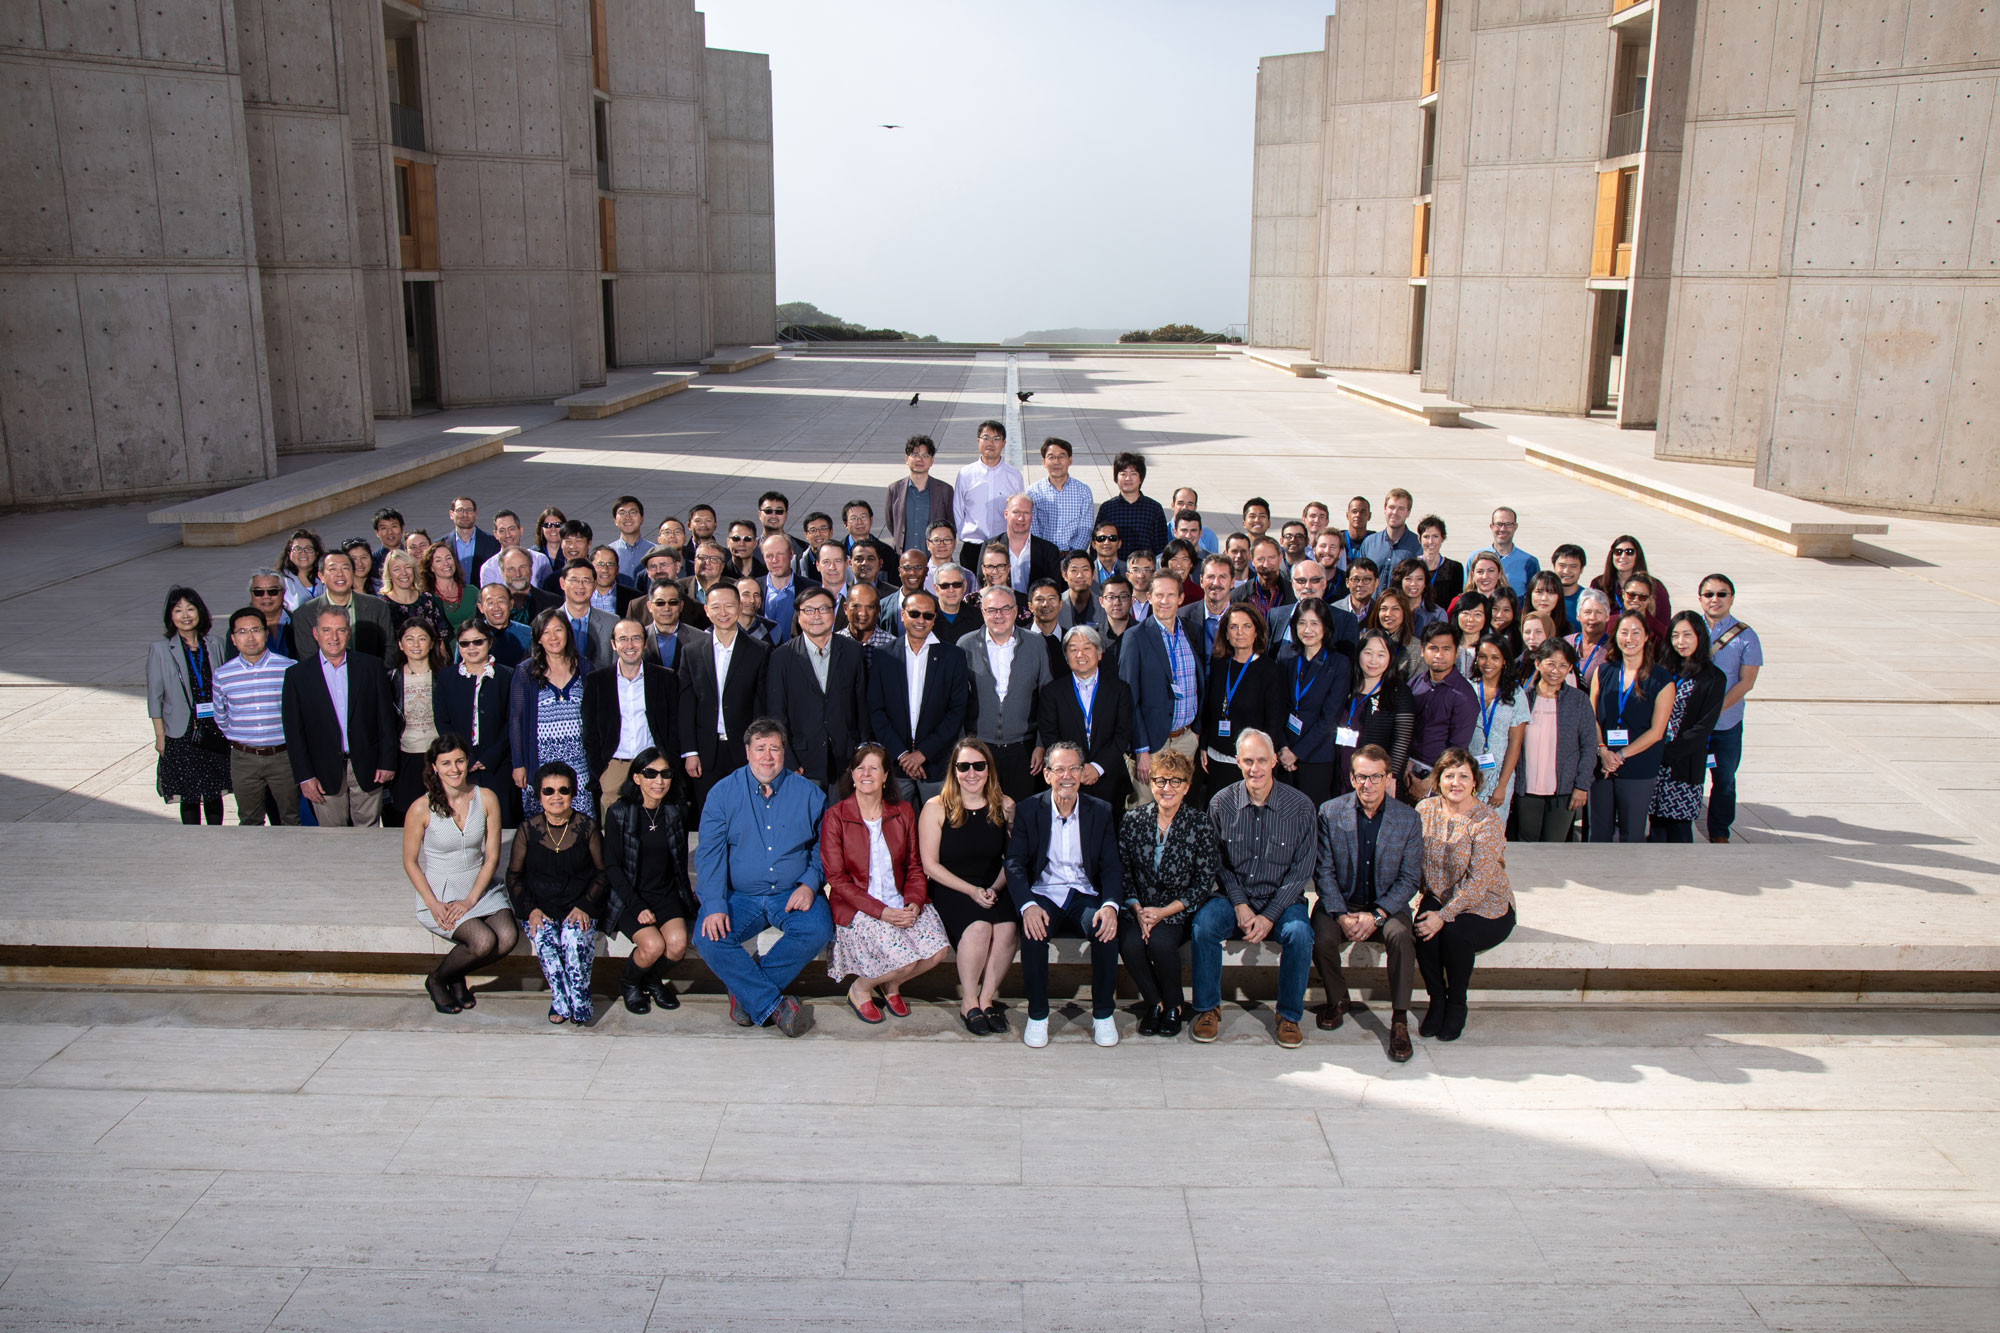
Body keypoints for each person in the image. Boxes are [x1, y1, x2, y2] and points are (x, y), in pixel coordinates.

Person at [693, 719, 834, 1036]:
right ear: (747, 752)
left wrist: (810, 883)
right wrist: (715, 903)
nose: (767, 757)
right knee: (707, 937)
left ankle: (746, 994)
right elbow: (709, 855)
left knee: (817, 927)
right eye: (760, 748)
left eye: (775, 748)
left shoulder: (809, 794)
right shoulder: (722, 794)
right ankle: (773, 1004)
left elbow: (823, 847)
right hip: (741, 897)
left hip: (790, 892)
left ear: (785, 753)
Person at [1191, 730, 1318, 1047]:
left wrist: (1271, 915)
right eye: (1248, 761)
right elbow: (1217, 861)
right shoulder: (1221, 803)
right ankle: (1207, 1009)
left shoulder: (1301, 807)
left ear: (1275, 760)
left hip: (1283, 900)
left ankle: (1288, 1016)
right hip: (1235, 898)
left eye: (1262, 760)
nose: (1255, 768)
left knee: (1300, 934)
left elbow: (1301, 869)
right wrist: (1239, 904)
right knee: (1203, 926)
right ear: (1237, 762)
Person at [820, 744, 951, 1023]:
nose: (866, 773)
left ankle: (891, 984)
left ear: (884, 776)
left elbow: (915, 866)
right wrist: (881, 912)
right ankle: (861, 988)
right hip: (859, 908)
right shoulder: (836, 816)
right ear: (852, 775)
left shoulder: (902, 812)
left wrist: (913, 903)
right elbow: (836, 879)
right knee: (907, 958)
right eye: (860, 768)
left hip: (899, 899)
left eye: (874, 768)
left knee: (938, 950)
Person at [1005, 741, 1123, 1048]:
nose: (1066, 775)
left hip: (1084, 893)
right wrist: (1028, 904)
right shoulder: (1030, 809)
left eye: (1073, 768)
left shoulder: (1100, 811)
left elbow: (1111, 866)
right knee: (1033, 932)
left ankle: (1103, 1015)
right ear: (1047, 775)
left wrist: (1110, 905)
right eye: (1059, 769)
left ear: (1083, 773)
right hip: (1044, 893)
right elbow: (1014, 863)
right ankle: (1038, 1015)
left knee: (1106, 929)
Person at [1313, 745, 1424, 1062]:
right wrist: (1342, 914)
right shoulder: (1331, 812)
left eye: (1376, 777)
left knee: (1402, 937)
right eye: (1362, 776)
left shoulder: (1408, 819)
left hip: (1386, 907)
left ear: (1389, 779)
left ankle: (1399, 1019)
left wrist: (1376, 915)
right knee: (1320, 937)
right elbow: (1324, 870)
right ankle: (1338, 1000)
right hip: (1342, 902)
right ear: (1351, 777)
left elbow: (1408, 879)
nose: (1368, 784)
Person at [403, 734, 513, 1014]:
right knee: (482, 941)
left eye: (459, 761)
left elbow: (492, 857)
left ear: (468, 762)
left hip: (479, 886)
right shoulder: (420, 808)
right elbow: (410, 862)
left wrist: (470, 901)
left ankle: (454, 975)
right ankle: (439, 980)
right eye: (446, 763)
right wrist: (433, 903)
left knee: (507, 937)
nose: (454, 769)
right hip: (442, 890)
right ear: (434, 767)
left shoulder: (486, 798)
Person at [1414, 748, 1516, 1041]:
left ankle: (1456, 1003)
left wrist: (1443, 916)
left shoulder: (1487, 821)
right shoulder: (1425, 810)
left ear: (1475, 782)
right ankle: (1437, 1000)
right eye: (1449, 776)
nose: (1455, 782)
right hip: (1440, 891)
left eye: (1463, 776)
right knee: (1422, 928)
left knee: (1455, 934)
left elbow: (1477, 883)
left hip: (1485, 902)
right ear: (1438, 780)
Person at [919, 738, 1019, 1034]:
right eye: (964, 766)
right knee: (978, 928)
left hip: (993, 885)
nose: (971, 773)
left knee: (1006, 928)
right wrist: (971, 891)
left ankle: (987, 1000)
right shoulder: (936, 808)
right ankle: (969, 1002)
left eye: (978, 766)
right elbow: (930, 866)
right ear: (954, 770)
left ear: (989, 770)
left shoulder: (1005, 805)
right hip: (952, 887)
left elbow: (1012, 859)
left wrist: (996, 889)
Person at [1115, 747, 1214, 1036]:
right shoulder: (1133, 820)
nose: (1166, 788)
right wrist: (1138, 909)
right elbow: (1123, 871)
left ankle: (1175, 1005)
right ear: (1151, 783)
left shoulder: (1200, 824)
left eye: (1175, 781)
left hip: (1176, 911)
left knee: (1160, 943)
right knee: (1130, 944)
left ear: (1187, 785)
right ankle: (1156, 1003)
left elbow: (1203, 882)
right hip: (1140, 909)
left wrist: (1163, 912)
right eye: (1160, 780)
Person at [504, 761, 605, 1024]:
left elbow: (603, 873)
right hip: (541, 907)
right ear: (539, 794)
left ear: (573, 793)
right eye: (548, 791)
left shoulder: (587, 827)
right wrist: (531, 910)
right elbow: (514, 875)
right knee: (546, 943)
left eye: (563, 790)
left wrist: (585, 905)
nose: (556, 797)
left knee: (573, 940)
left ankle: (579, 1002)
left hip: (579, 905)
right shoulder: (528, 830)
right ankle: (561, 1001)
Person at [282, 605, 398, 826]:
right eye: (326, 630)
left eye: (340, 630)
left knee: (368, 832)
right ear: (316, 634)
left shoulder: (371, 667)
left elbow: (385, 719)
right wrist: (305, 776)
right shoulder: (297, 676)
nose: (333, 637)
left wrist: (387, 761)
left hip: (367, 766)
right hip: (322, 770)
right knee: (332, 837)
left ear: (349, 632)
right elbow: (294, 733)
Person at [601, 747, 693, 1015]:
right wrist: (637, 905)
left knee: (676, 946)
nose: (659, 781)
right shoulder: (619, 812)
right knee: (653, 946)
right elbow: (612, 867)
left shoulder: (675, 812)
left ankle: (651, 980)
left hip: (665, 894)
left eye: (665, 774)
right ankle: (629, 982)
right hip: (629, 897)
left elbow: (678, 864)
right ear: (637, 778)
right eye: (650, 773)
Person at [865, 589, 969, 804]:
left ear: (934, 619)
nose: (920, 620)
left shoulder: (954, 656)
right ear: (902, 615)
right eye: (914, 614)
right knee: (897, 833)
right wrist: (902, 755)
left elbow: (956, 711)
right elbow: (876, 710)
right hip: (895, 766)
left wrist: (923, 753)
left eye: (927, 615)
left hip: (937, 766)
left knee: (939, 831)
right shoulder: (883, 656)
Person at [676, 583, 770, 815]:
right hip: (706, 752)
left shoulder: (760, 650)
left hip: (745, 750)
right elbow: (686, 705)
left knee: (747, 814)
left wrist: (759, 748)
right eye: (716, 607)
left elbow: (762, 705)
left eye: (729, 606)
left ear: (739, 608)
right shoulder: (692, 651)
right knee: (711, 816)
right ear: (707, 610)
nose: (723, 612)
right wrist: (690, 752)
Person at [765, 585, 868, 787]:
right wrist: (789, 760)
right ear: (799, 615)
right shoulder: (782, 657)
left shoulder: (853, 651)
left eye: (823, 609)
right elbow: (776, 714)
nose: (816, 616)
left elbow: (862, 705)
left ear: (834, 611)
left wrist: (862, 752)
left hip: (846, 759)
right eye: (809, 610)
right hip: (803, 761)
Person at [1589, 610, 1675, 842]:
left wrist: (1621, 755)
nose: (1630, 638)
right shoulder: (1604, 671)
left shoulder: (1662, 679)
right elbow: (1591, 717)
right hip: (1602, 765)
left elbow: (1657, 732)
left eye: (1636, 633)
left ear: (1646, 636)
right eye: (1624, 632)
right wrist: (1603, 750)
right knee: (1598, 832)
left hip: (1638, 767)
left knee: (1632, 834)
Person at [148, 587, 232, 825]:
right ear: (170, 617)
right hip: (182, 732)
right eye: (178, 610)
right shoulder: (161, 650)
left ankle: (216, 837)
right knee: (190, 794)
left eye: (190, 609)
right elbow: (155, 697)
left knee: (215, 790)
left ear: (200, 612)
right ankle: (192, 839)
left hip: (214, 728)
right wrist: (159, 736)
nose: (185, 615)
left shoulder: (214, 644)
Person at [211, 606, 298, 825]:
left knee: (291, 817)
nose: (250, 637)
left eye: (255, 630)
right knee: (249, 820)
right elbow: (220, 716)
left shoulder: (289, 669)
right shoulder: (223, 674)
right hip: (244, 759)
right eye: (242, 632)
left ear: (266, 634)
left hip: (283, 757)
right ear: (233, 638)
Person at [964, 584, 1052, 801]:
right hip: (980, 749)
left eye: (1005, 609)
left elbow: (1047, 699)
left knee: (1020, 817)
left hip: (1023, 750)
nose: (999, 615)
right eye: (992, 610)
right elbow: (957, 702)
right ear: (983, 612)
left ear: (1015, 611)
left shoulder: (1036, 644)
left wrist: (1041, 745)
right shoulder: (965, 645)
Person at [1121, 571, 1204, 799]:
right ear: (1149, 597)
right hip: (1152, 746)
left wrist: (1196, 732)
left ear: (1181, 598)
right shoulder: (1135, 637)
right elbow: (1130, 699)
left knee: (1178, 810)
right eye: (1159, 595)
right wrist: (1141, 750)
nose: (1164, 601)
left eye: (1170, 595)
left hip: (1186, 741)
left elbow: (1200, 683)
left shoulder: (1193, 631)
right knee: (1147, 811)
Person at [1649, 612, 1728, 843]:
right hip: (1655, 759)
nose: (1680, 642)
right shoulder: (1662, 669)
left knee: (1679, 829)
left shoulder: (1713, 678)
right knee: (1656, 825)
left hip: (1684, 763)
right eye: (1675, 636)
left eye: (1687, 635)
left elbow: (1704, 726)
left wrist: (1668, 753)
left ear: (1700, 637)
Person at [1038, 626, 1134, 813]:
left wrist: (1097, 767)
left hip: (1109, 777)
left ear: (1099, 653)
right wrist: (1075, 769)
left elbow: (1123, 734)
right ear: (1066, 656)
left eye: (1087, 648)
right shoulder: (1052, 692)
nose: (1080, 654)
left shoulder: (1119, 689)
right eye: (1073, 649)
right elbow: (1050, 736)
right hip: (1068, 780)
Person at [583, 617, 678, 802]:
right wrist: (600, 769)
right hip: (613, 768)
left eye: (635, 638)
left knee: (652, 827)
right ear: (613, 644)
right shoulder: (597, 681)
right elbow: (589, 731)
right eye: (623, 639)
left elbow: (673, 727)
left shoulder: (665, 678)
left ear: (644, 643)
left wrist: (669, 764)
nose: (630, 645)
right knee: (613, 828)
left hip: (654, 767)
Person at [508, 610, 591, 820]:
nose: (553, 637)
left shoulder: (584, 667)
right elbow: (516, 720)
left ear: (568, 633)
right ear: (538, 638)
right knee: (542, 824)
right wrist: (519, 764)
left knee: (579, 823)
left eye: (558, 630)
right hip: (540, 762)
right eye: (546, 632)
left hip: (579, 762)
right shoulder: (526, 672)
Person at [1513, 639, 1597, 842]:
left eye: (1563, 665)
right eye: (1550, 663)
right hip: (1527, 789)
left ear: (1569, 668)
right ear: (1538, 663)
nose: (1556, 670)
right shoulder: (1522, 698)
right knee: (1527, 844)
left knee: (1555, 847)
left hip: (1564, 790)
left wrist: (1582, 786)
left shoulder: (1579, 700)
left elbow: (1588, 746)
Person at [1698, 573, 1761, 843]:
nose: (1715, 599)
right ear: (1700, 598)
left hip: (1726, 724)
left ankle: (1720, 831)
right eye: (1709, 594)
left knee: (1723, 780)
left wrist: (1715, 710)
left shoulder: (1746, 636)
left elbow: (1746, 682)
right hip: (1692, 724)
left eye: (1721, 594)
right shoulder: (1689, 630)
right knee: (1685, 779)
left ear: (1731, 598)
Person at [1199, 604, 1286, 796]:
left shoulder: (1270, 670)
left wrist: (1265, 761)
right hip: (1217, 758)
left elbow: (1273, 721)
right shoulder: (1219, 663)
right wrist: (1204, 744)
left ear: (1257, 631)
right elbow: (1209, 711)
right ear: (1226, 634)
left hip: (1251, 766)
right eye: (1233, 627)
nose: (1240, 633)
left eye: (1247, 626)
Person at [436, 619, 516, 828]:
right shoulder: (446, 677)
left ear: (489, 642)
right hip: (461, 763)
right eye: (464, 643)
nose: (471, 648)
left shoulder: (507, 676)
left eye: (477, 642)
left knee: (500, 823)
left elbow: (513, 721)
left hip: (497, 763)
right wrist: (464, 755)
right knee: (463, 822)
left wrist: (491, 756)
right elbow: (442, 721)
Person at [1276, 599, 1350, 806]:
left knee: (1310, 816)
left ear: (1325, 627)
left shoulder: (1339, 664)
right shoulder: (1286, 654)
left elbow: (1330, 719)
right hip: (1284, 750)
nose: (1307, 629)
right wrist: (1283, 748)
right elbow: (1278, 705)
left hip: (1316, 756)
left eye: (1314, 623)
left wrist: (1296, 753)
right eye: (1302, 623)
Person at [1337, 631, 1416, 795]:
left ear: (1390, 658)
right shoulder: (1346, 685)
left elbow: (1402, 740)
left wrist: (1390, 778)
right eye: (1368, 653)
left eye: (1381, 654)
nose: (1373, 661)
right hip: (1342, 776)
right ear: (1359, 654)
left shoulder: (1399, 692)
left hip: (1376, 781)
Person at [1463, 634, 1530, 826]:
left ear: (1505, 661)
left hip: (1499, 775)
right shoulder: (1468, 688)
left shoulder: (1516, 694)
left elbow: (1515, 744)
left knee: (1493, 834)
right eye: (1483, 656)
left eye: (1495, 657)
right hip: (1469, 773)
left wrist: (1501, 786)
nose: (1488, 662)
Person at [384, 619, 445, 824]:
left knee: (440, 813)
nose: (416, 645)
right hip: (405, 756)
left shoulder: (444, 676)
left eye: (422, 639)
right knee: (406, 813)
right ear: (400, 644)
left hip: (438, 755)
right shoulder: (391, 678)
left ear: (431, 643)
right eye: (409, 639)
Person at [1409, 623, 1477, 798]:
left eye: (1446, 649)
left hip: (1438, 778)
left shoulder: (1464, 695)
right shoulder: (1415, 684)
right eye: (1433, 648)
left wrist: (1429, 783)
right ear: (1423, 651)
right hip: (1407, 771)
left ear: (1456, 652)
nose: (1439, 655)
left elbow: (1457, 750)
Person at [292, 547, 394, 661]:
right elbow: (308, 658)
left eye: (345, 568)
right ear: (321, 577)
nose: (340, 574)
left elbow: (389, 649)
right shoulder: (304, 614)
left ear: (353, 573)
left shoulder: (377, 607)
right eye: (332, 569)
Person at [953, 419, 1025, 568]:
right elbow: (958, 509)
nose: (990, 443)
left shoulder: (1014, 476)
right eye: (986, 438)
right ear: (978, 441)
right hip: (973, 547)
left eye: (996, 439)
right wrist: (964, 534)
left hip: (1003, 546)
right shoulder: (966, 474)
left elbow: (1019, 512)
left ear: (1004, 443)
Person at [885, 434, 956, 551]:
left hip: (934, 559)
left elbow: (951, 525)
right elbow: (891, 523)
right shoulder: (894, 489)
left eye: (925, 455)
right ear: (906, 459)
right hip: (904, 560)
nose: (920, 459)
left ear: (932, 460)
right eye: (915, 455)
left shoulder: (945, 490)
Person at [1095, 450, 1170, 557]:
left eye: (1133, 474)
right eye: (1123, 474)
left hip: (1144, 569)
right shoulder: (1107, 508)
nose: (1128, 478)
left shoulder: (1154, 508)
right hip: (1113, 569)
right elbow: (1097, 543)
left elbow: (1161, 546)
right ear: (1116, 478)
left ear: (1140, 478)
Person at [1026, 436, 1094, 552]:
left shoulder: (1083, 491)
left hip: (1073, 559)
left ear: (1070, 460)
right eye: (1051, 457)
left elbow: (1085, 529)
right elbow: (1033, 529)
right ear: (1044, 462)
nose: (1056, 462)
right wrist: (1045, 555)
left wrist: (1072, 557)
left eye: (1061, 456)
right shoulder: (1033, 492)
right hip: (1043, 557)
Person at [552, 558, 618, 671]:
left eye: (586, 580)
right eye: (574, 580)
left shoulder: (612, 622)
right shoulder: (547, 623)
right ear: (562, 583)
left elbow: (616, 666)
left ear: (594, 585)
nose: (580, 586)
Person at [1591, 534, 1670, 621]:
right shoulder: (1598, 584)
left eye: (1629, 552)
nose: (1623, 556)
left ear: (1637, 556)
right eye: (1618, 552)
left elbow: (1663, 623)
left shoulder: (1655, 587)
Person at [995, 493, 1061, 593]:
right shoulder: (990, 546)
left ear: (1032, 515)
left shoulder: (1049, 550)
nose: (1021, 518)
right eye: (1016, 512)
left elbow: (1054, 590)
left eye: (1026, 513)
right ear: (1006, 514)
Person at [1469, 506, 1539, 593]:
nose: (1503, 529)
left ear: (1515, 527)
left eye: (1508, 524)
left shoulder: (1529, 562)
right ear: (1491, 526)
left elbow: (1534, 596)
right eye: (1499, 524)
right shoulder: (1475, 558)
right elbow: (1467, 589)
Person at [478, 509, 552, 589]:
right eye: (502, 530)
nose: (508, 535)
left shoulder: (540, 560)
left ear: (521, 530)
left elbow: (548, 595)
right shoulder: (488, 568)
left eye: (511, 529)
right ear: (495, 534)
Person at [1182, 554, 1237, 657]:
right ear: (1201, 581)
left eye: (1222, 577)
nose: (1216, 583)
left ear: (1232, 582)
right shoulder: (1183, 617)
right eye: (1211, 577)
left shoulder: (1245, 617)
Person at [639, 581, 701, 672]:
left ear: (681, 606)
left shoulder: (700, 639)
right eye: (660, 603)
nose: (666, 608)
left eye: (673, 602)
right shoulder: (636, 639)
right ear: (649, 606)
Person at [1358, 488, 1420, 574]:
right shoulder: (1369, 543)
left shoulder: (1418, 545)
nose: (1395, 512)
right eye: (1391, 507)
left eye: (1401, 509)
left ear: (1408, 512)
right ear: (1385, 509)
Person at [468, 582, 529, 668]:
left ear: (511, 604)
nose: (496, 607)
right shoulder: (469, 636)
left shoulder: (528, 633)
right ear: (480, 607)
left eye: (501, 601)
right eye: (490, 603)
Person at [442, 496, 500, 587]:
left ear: (475, 513)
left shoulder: (493, 543)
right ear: (451, 514)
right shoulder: (441, 544)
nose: (465, 514)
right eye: (460, 510)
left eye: (469, 510)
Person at [421, 541, 477, 634]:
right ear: (431, 567)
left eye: (448, 558)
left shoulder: (472, 591)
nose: (446, 563)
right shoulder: (427, 597)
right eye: (438, 560)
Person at [1231, 536, 1292, 616]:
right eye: (1261, 559)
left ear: (1280, 557)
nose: (1266, 564)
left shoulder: (1292, 592)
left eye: (1271, 557)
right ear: (1252, 560)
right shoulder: (1237, 597)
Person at [1415, 514, 1464, 608]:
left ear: (1442, 538)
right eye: (1426, 536)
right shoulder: (1410, 566)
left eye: (1435, 536)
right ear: (1419, 538)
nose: (1430, 541)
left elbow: (1455, 603)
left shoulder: (1455, 568)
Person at [1568, 588, 1613, 689]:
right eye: (1587, 612)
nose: (1592, 617)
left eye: (1598, 612)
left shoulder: (1612, 649)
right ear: (1578, 615)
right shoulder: (1566, 643)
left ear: (1607, 616)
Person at [929, 563, 980, 645]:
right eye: (944, 585)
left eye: (957, 584)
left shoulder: (980, 618)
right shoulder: (926, 618)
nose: (951, 590)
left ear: (965, 586)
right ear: (936, 588)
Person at [587, 544, 640, 619]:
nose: (605, 569)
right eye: (600, 564)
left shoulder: (635, 598)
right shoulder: (579, 595)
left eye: (610, 564)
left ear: (617, 569)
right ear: (591, 568)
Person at [841, 582, 899, 651]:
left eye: (869, 607)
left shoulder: (893, 647)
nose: (862, 613)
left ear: (878, 610)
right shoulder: (832, 644)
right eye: (856, 606)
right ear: (845, 608)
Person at [277, 528, 323, 611]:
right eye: (297, 549)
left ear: (316, 553)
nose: (303, 553)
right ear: (289, 553)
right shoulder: (280, 580)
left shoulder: (326, 576)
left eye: (308, 549)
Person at [1393, 557, 1442, 633]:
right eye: (1408, 579)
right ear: (1400, 581)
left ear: (1425, 582)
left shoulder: (1437, 613)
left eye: (1419, 579)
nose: (1413, 584)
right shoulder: (1389, 610)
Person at [1056, 550, 1101, 631]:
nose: (1080, 575)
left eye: (1085, 569)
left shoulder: (1104, 606)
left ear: (1093, 574)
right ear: (1064, 575)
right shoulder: (1054, 605)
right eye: (1074, 570)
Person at [1526, 570, 1573, 639]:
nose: (1544, 598)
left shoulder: (1566, 629)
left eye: (1551, 592)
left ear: (1559, 596)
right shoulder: (1518, 628)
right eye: (1539, 592)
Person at [1333, 556, 1378, 622]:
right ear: (1347, 582)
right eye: (1355, 579)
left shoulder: (1380, 612)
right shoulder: (1333, 611)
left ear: (1376, 582)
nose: (1360, 584)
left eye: (1366, 579)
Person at [1089, 521, 1124, 586]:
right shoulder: (1085, 572)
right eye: (1101, 538)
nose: (1106, 542)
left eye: (1112, 538)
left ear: (1119, 543)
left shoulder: (1130, 571)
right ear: (1093, 544)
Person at [371, 508, 405, 574]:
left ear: (402, 528)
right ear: (377, 533)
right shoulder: (373, 560)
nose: (390, 532)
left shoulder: (411, 555)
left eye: (394, 526)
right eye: (384, 528)